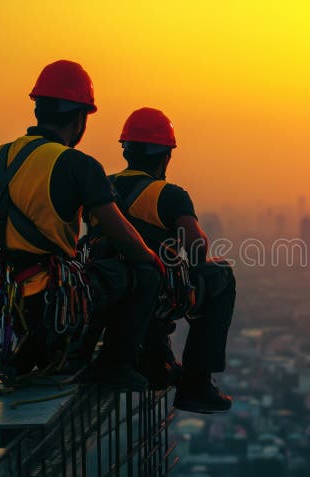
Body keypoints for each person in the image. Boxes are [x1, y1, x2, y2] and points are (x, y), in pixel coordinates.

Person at [0, 60, 163, 391]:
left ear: (38, 108)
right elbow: (123, 236)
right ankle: (115, 367)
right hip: (56, 298)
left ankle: (37, 347)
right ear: (80, 118)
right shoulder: (76, 164)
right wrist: (153, 259)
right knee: (144, 273)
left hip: (10, 298)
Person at [89, 107, 234, 413]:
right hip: (154, 294)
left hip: (105, 293)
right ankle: (197, 384)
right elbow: (197, 245)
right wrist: (187, 274)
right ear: (166, 156)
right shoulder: (169, 195)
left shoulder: (102, 188)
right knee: (221, 274)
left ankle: (153, 355)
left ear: (126, 150)